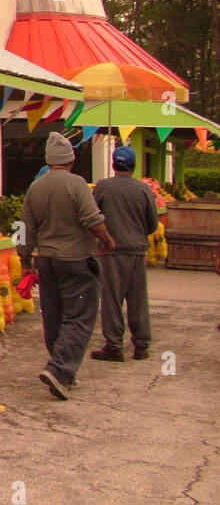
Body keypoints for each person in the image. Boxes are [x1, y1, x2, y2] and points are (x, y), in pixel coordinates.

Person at [18, 132, 116, 400]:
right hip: (76, 260)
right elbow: (92, 219)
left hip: (47, 261)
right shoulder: (77, 184)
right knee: (79, 317)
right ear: (71, 160)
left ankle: (62, 372)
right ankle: (60, 370)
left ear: (49, 161)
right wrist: (107, 240)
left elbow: (24, 229)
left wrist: (25, 261)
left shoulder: (35, 188)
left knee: (54, 315)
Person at [90, 146, 158, 361]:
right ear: (134, 166)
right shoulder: (144, 189)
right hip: (137, 250)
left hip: (111, 251)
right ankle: (141, 345)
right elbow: (152, 223)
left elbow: (93, 216)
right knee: (138, 299)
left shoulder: (102, 187)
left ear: (113, 165)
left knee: (112, 299)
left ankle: (114, 345)